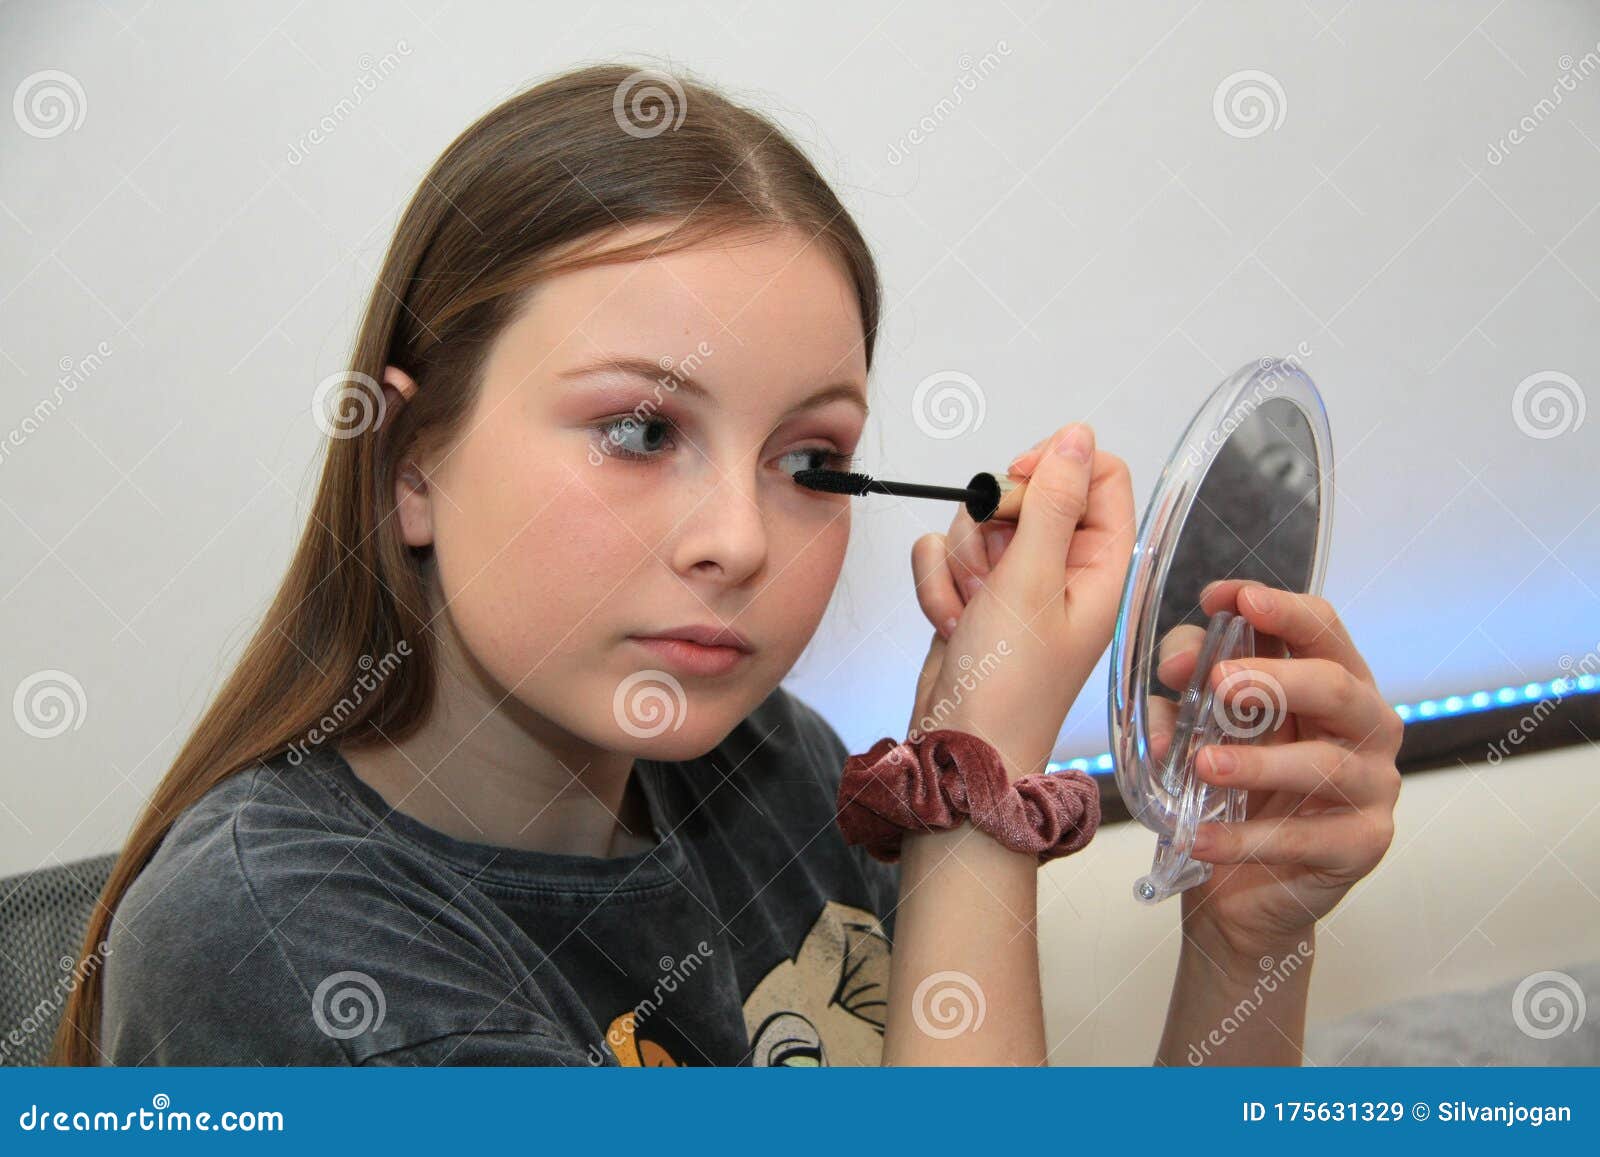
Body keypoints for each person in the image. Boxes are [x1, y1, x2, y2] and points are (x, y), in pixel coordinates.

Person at [55, 62, 1401, 1067]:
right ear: (411, 459)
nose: (741, 540)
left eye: (811, 462)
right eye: (639, 430)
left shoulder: (772, 772)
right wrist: (973, 790)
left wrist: (1248, 933)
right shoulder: (275, 949)